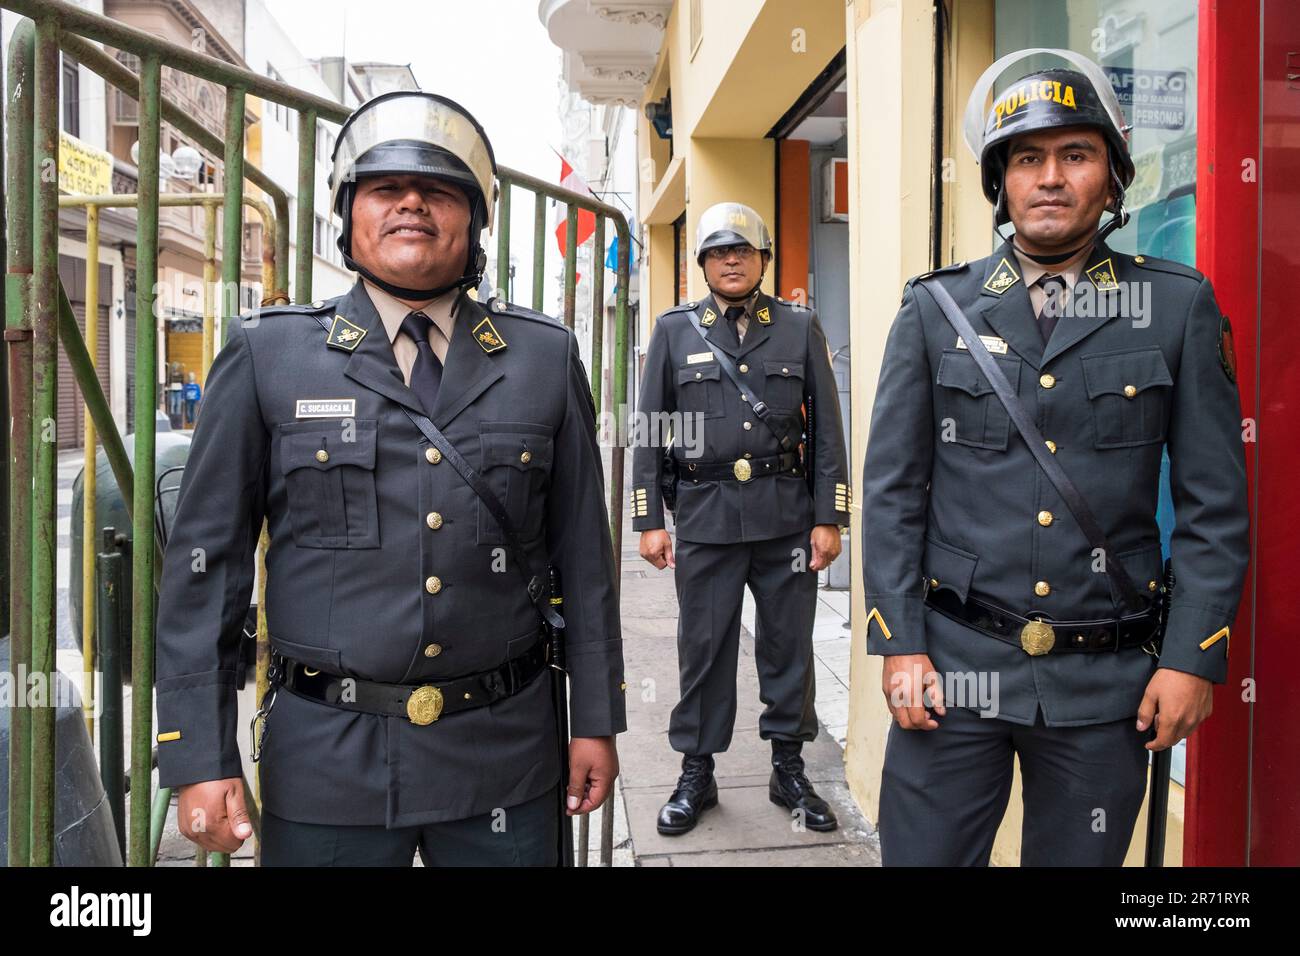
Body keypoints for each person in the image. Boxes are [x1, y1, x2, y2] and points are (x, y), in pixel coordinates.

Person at [153, 91, 626, 866]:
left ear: (474, 221)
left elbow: (584, 558)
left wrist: (595, 719)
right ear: (348, 217)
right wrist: (198, 752)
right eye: (386, 189)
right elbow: (207, 567)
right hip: (328, 764)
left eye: (439, 190)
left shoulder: (542, 358)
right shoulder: (270, 354)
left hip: (504, 757)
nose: (412, 203)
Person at [860, 50, 1249, 866]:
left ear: (1112, 179)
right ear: (1000, 183)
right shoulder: (936, 309)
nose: (1049, 178)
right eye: (1026, 159)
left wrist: (1191, 658)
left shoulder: (1175, 307)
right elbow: (892, 492)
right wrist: (900, 642)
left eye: (1075, 154)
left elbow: (1214, 509)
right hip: (952, 671)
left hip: (1105, 683)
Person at [631, 202, 851, 835]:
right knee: (703, 649)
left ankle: (789, 770)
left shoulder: (798, 326)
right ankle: (696, 773)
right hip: (706, 518)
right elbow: (649, 428)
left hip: (785, 520)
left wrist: (829, 516)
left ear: (763, 260)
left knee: (789, 648)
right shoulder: (675, 331)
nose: (731, 261)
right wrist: (649, 519)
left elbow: (826, 428)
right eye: (719, 252)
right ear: (701, 264)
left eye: (743, 251)